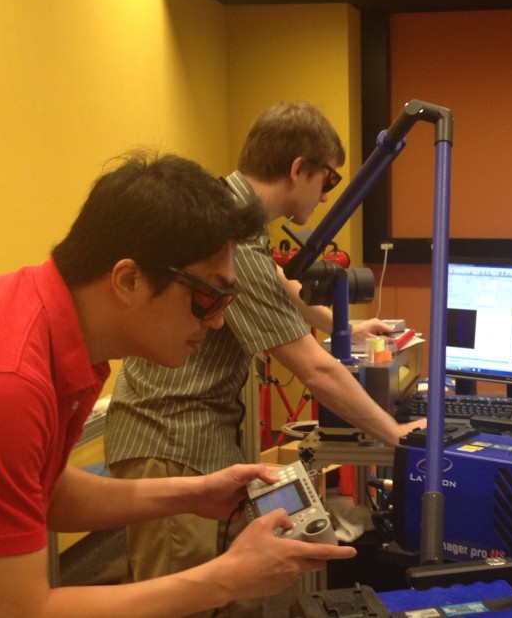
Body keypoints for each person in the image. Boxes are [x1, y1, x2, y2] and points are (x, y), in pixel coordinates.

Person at [0, 151, 356, 617]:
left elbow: (46, 492)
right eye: (209, 296)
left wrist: (192, 493)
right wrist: (225, 579)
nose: (219, 321)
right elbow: (15, 613)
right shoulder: (0, 384)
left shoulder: (50, 328)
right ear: (128, 280)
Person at [105, 103, 422, 614]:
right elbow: (313, 369)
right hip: (168, 441)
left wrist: (343, 324)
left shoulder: (228, 212)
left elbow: (278, 283)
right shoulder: (227, 232)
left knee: (224, 592)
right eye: (328, 178)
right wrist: (397, 434)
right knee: (177, 602)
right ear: (299, 168)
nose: (326, 194)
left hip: (195, 436)